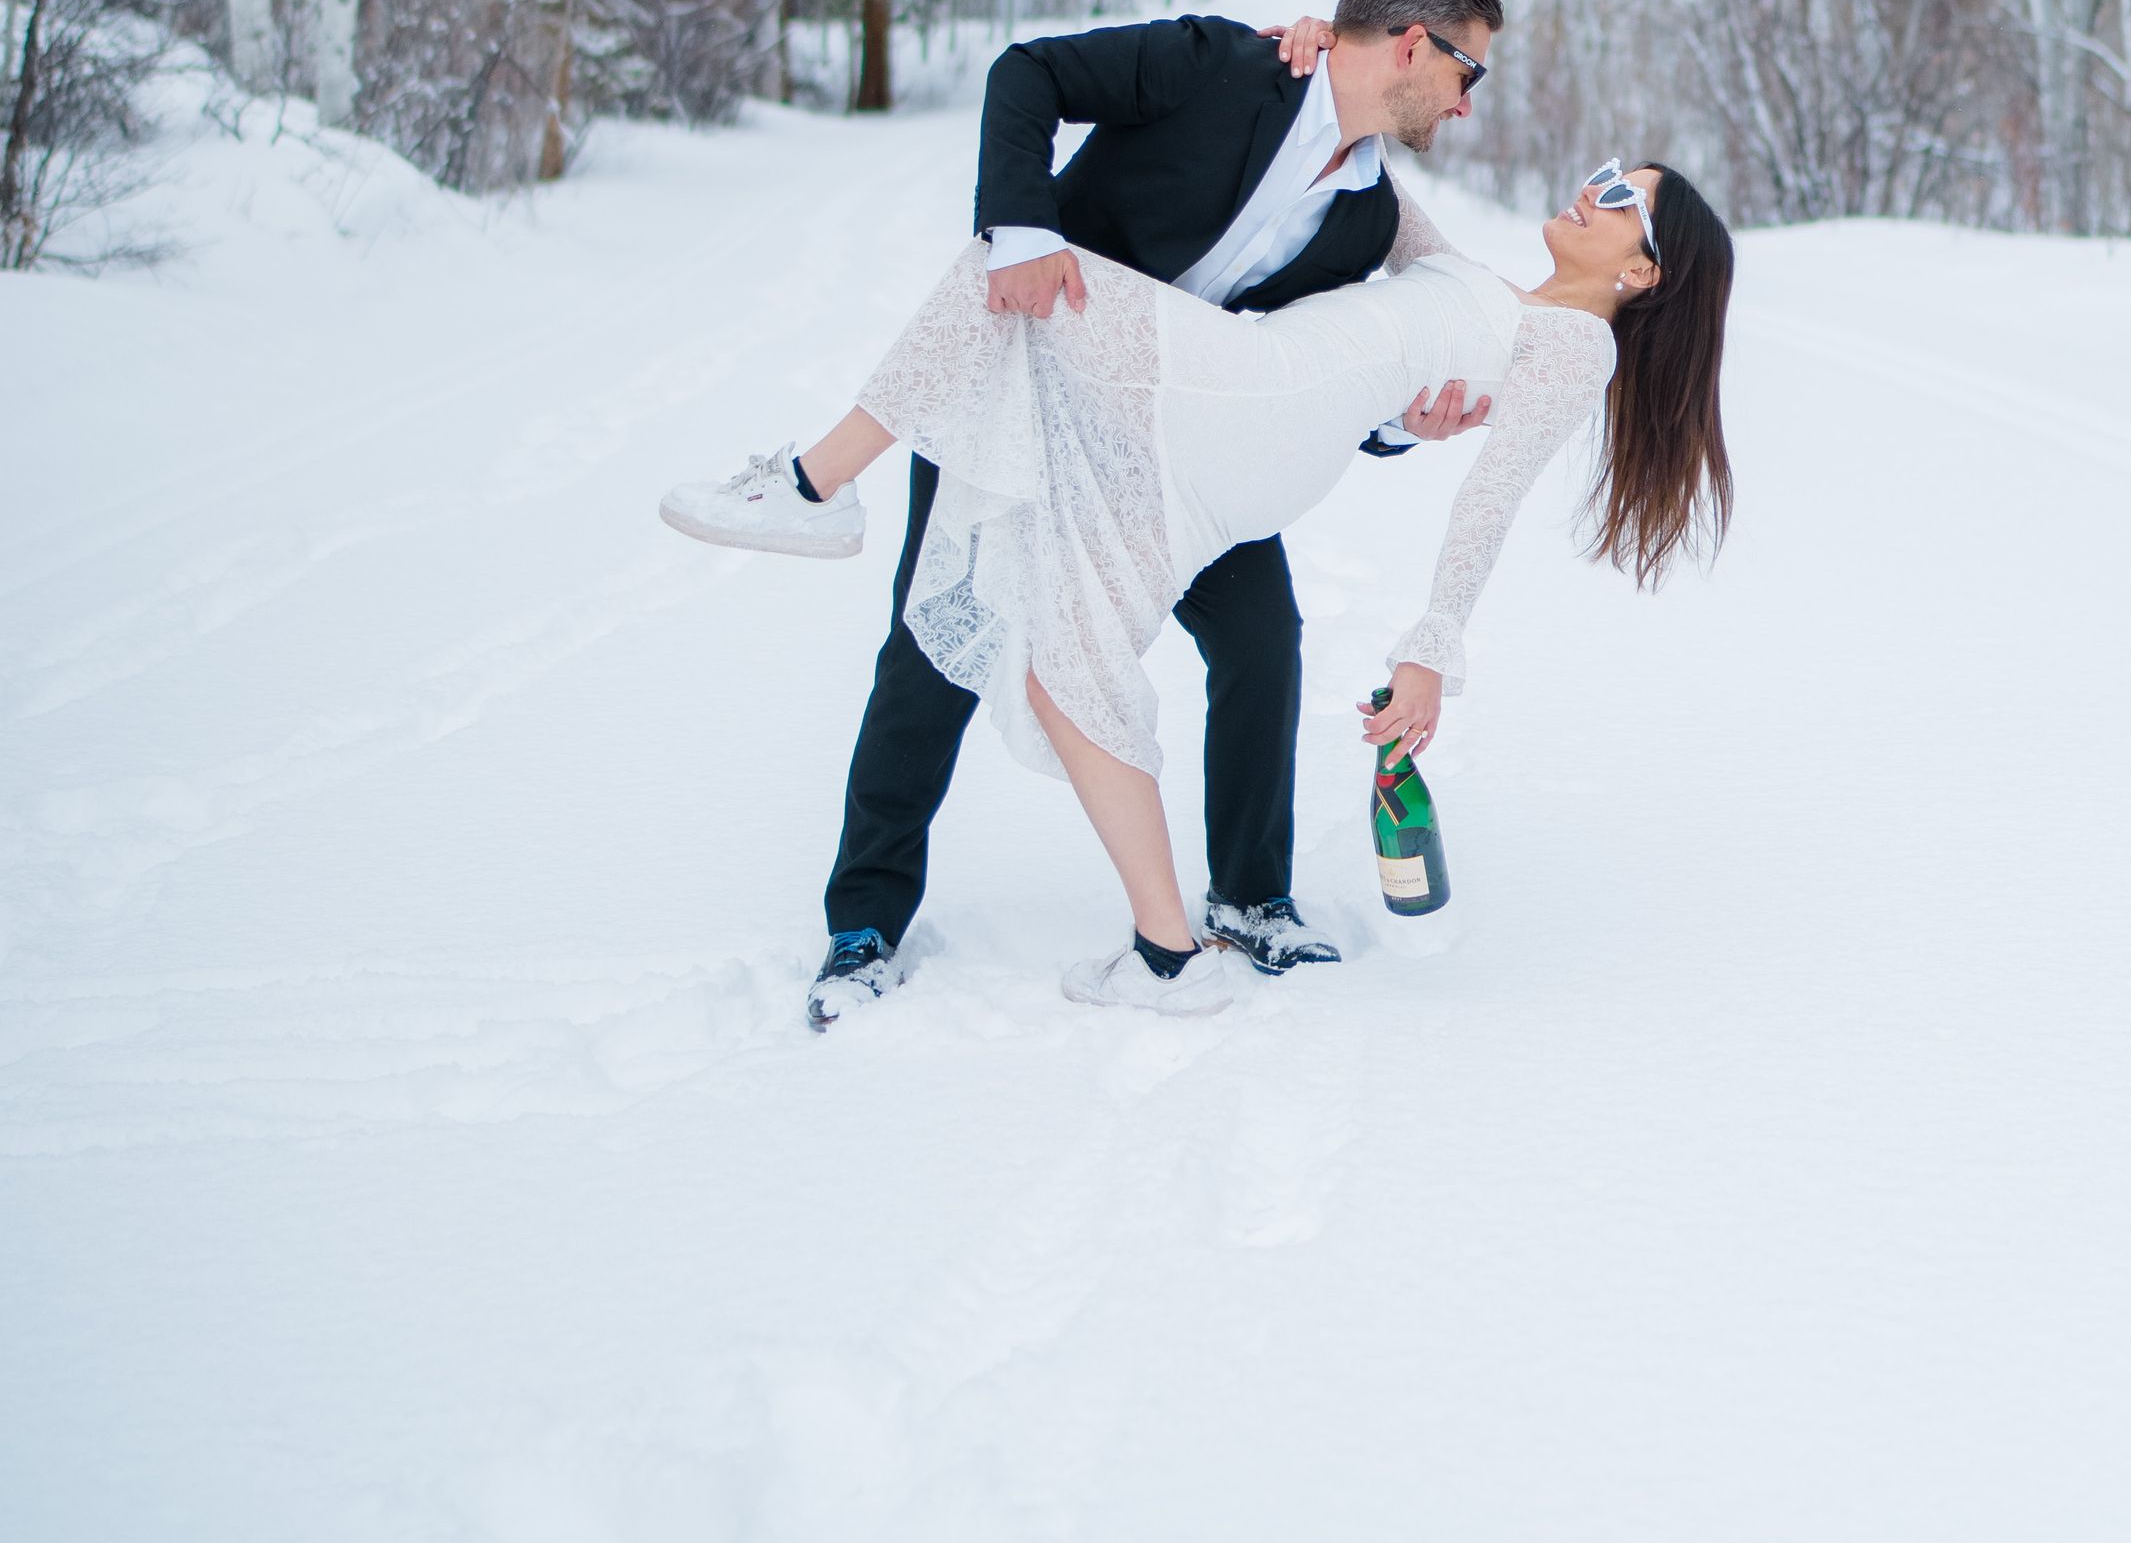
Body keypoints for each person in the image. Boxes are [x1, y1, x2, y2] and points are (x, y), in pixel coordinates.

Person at [666, 110, 1737, 1024]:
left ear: (1643, 271)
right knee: (1059, 656)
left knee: (1018, 264)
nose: (1588, 192)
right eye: (1600, 173)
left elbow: (1488, 499)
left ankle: (810, 487)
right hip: (1231, 437)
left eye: (1618, 199)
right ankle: (1166, 954)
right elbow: (1386, 197)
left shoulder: (1574, 349)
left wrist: (1429, 651)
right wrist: (1345, 84)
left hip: (1241, 398)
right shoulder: (1501, 290)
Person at [665, 0, 1509, 1023]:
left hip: (1176, 457)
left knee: (1261, 640)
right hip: (1017, 378)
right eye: (1466, 72)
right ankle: (864, 921)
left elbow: (1317, 365)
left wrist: (1402, 426)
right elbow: (1027, 75)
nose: (1466, 104)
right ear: (1407, 44)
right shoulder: (1217, 65)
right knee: (936, 649)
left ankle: (1250, 898)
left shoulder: (1362, 218)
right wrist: (1022, 232)